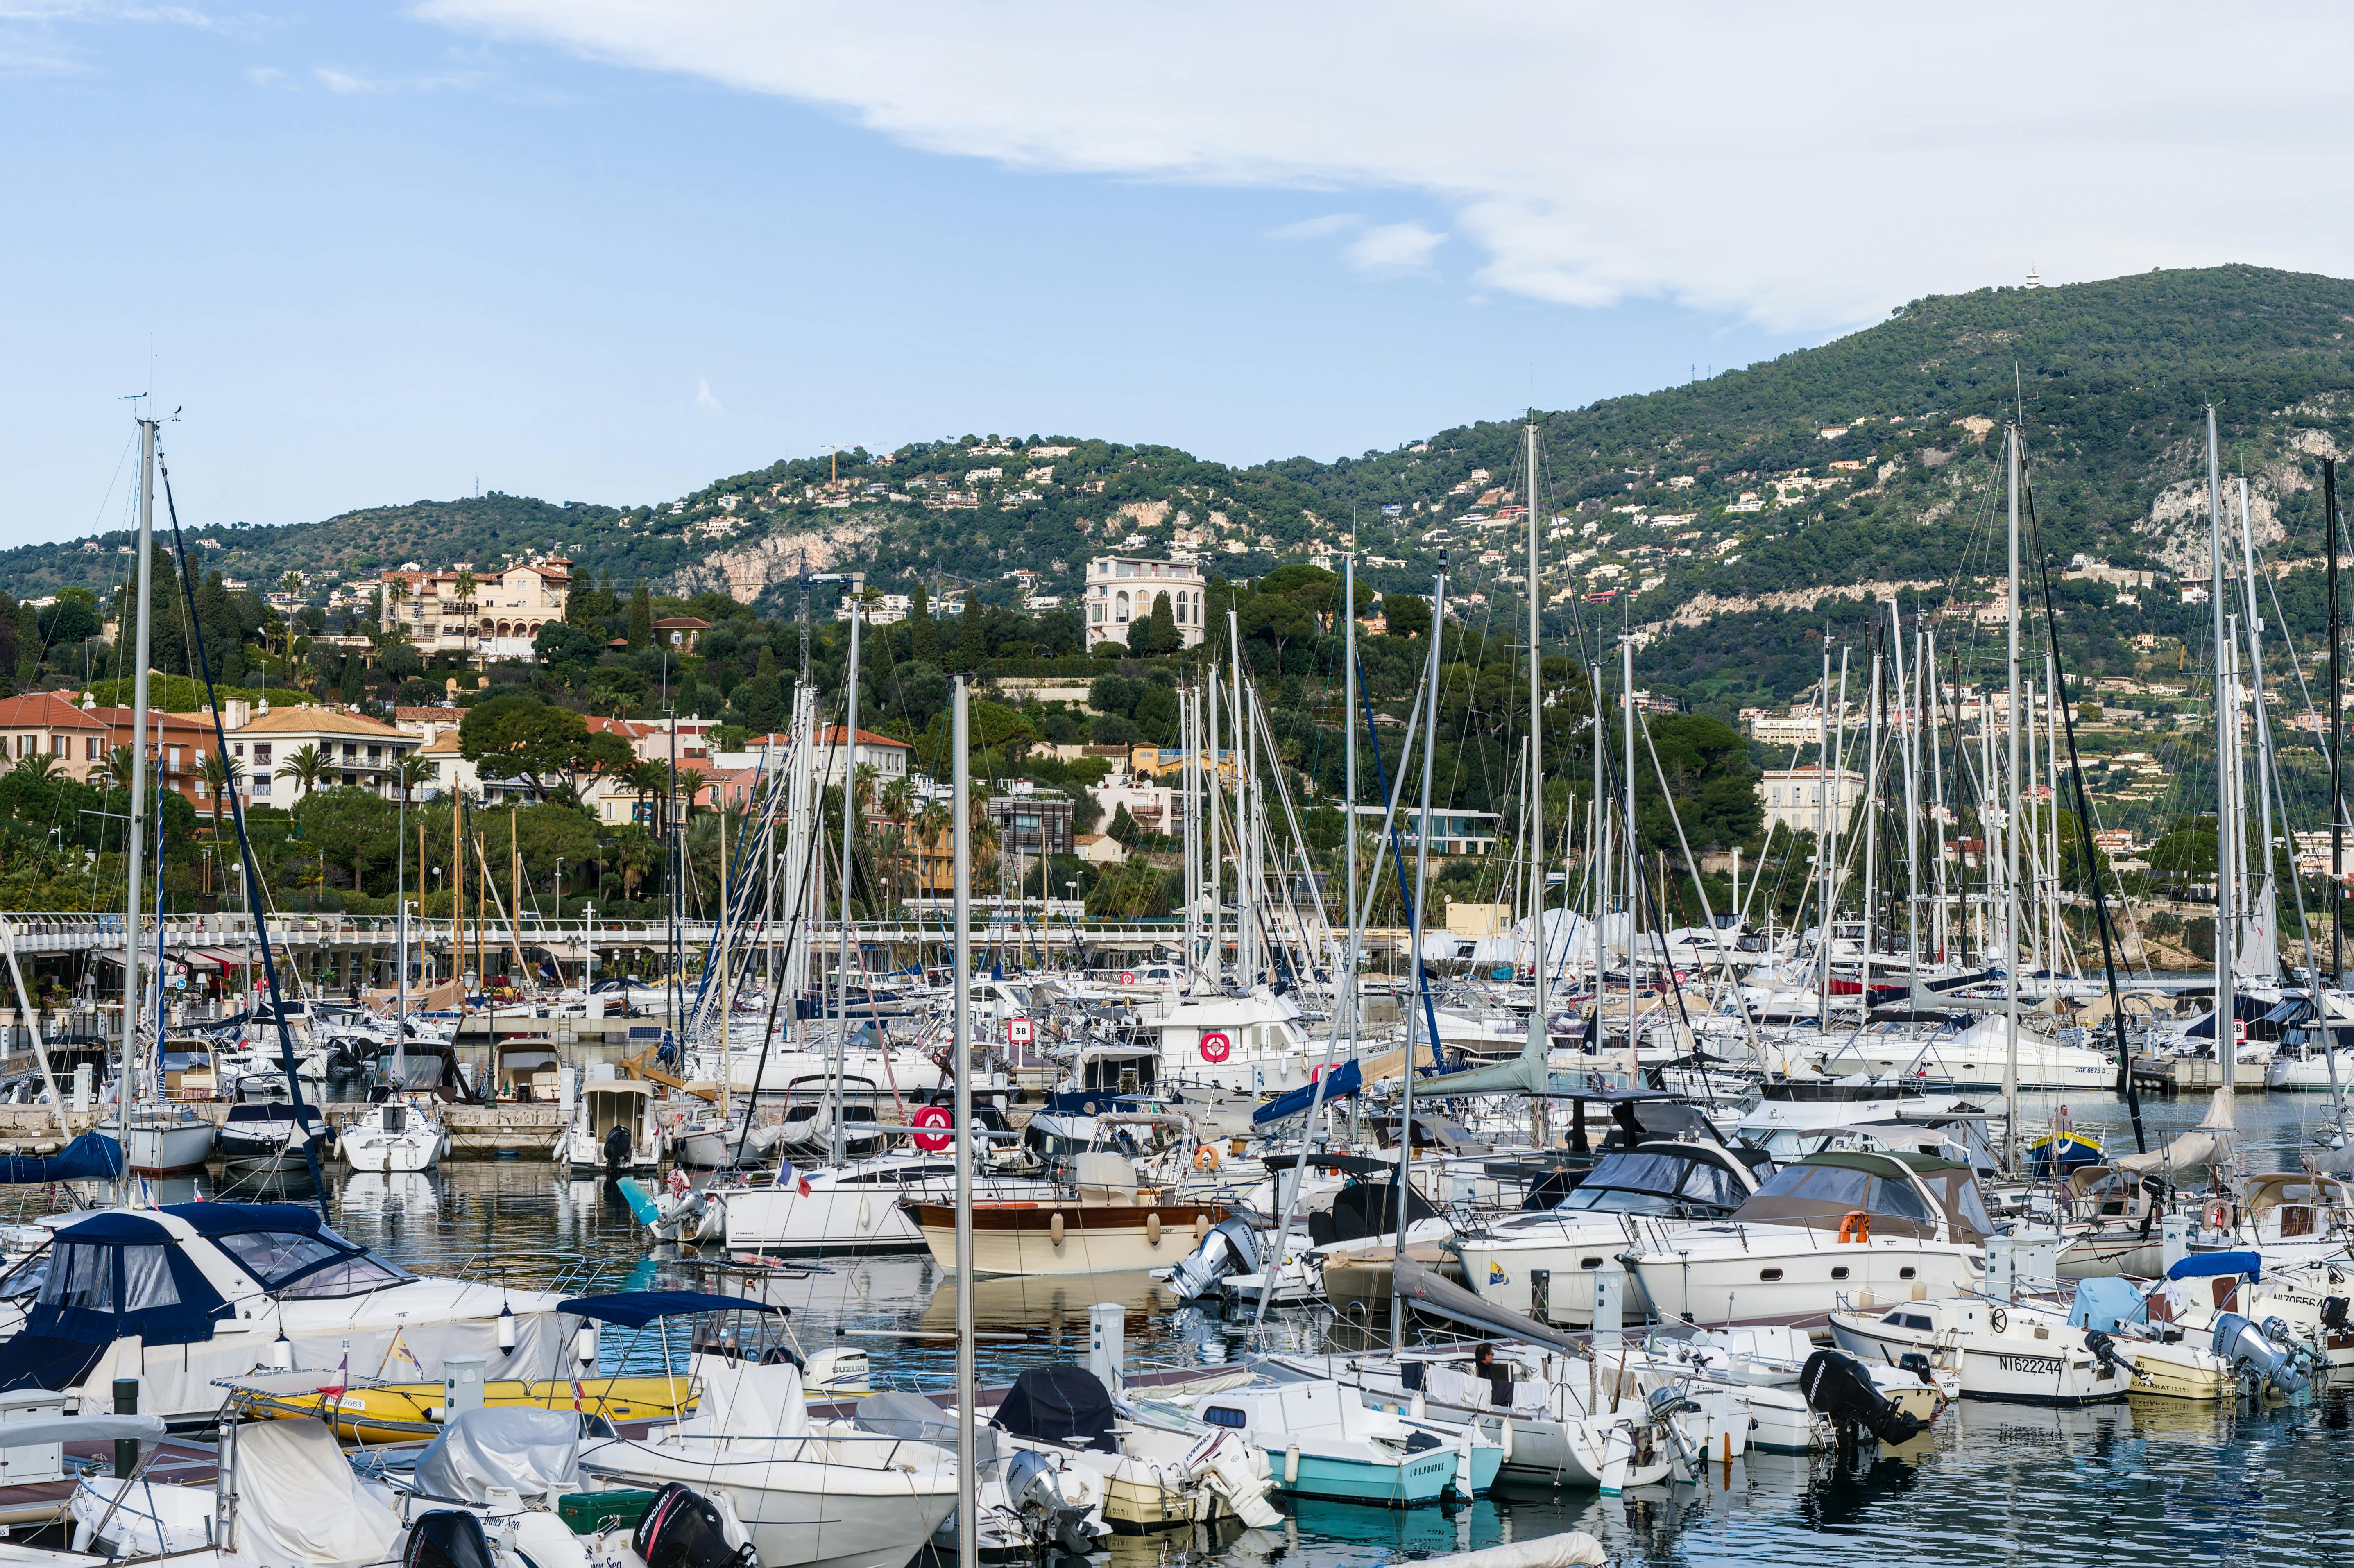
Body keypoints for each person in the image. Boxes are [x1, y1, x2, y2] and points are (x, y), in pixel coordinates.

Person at [1474, 1341, 1511, 1407]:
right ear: (1487, 1356)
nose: (1493, 1357)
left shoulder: (1483, 1366)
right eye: (1492, 1355)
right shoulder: (1482, 1370)